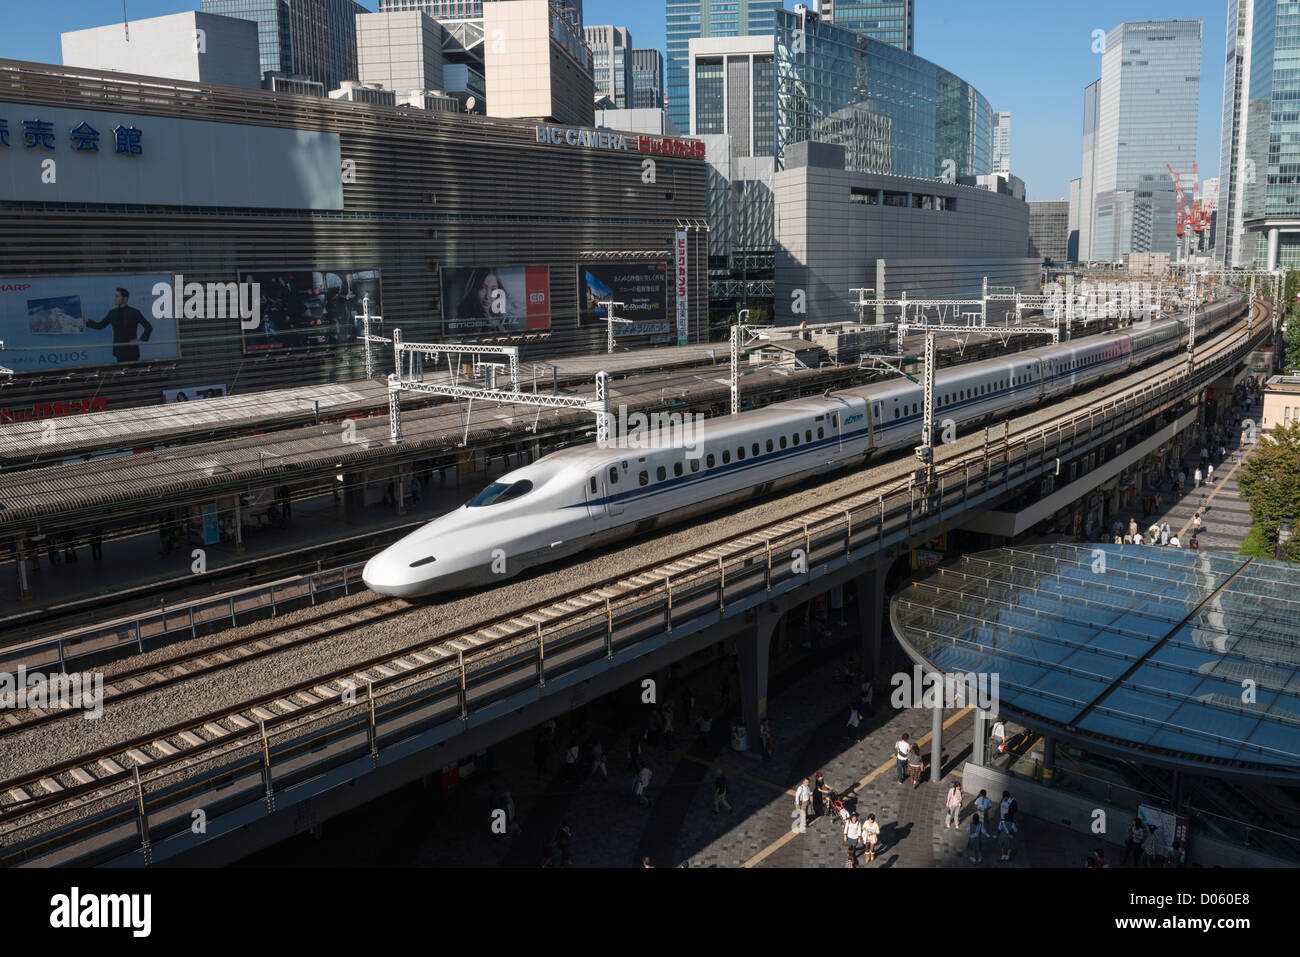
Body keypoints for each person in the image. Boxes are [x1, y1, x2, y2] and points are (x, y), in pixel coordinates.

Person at [85, 287, 153, 363]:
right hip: (119, 351)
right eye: (115, 296)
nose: (115, 298)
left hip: (132, 351)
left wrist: (140, 340)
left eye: (117, 296)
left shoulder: (135, 312)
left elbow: (148, 327)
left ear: (125, 298)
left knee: (133, 371)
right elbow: (100, 326)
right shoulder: (112, 313)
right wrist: (88, 321)